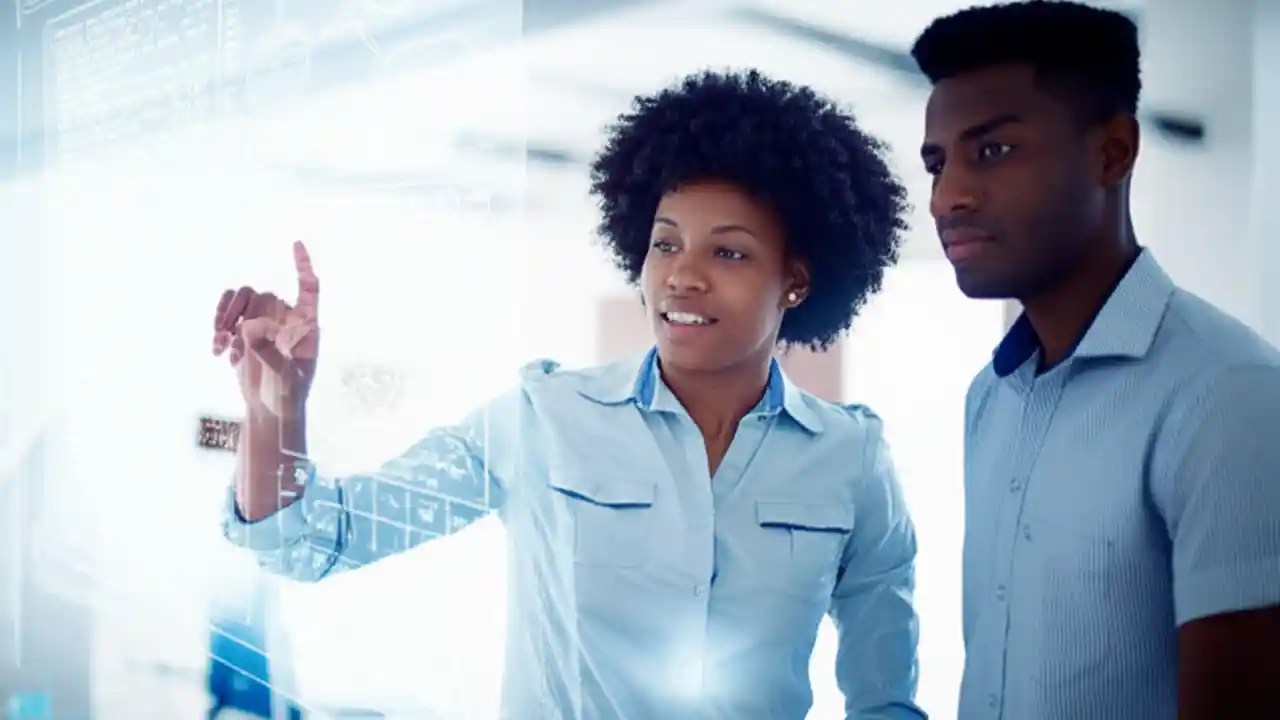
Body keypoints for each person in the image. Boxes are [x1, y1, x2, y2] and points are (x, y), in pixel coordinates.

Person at [214, 69, 925, 719]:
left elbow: (885, 699)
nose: (682, 276)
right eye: (665, 244)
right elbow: (308, 543)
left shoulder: (852, 459)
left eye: (728, 252)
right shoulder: (541, 419)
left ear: (797, 280)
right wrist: (277, 405)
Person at [911, 2, 1280, 718]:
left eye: (992, 151)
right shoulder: (990, 398)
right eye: (938, 163)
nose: (947, 197)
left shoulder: (1230, 396)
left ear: (1113, 152)